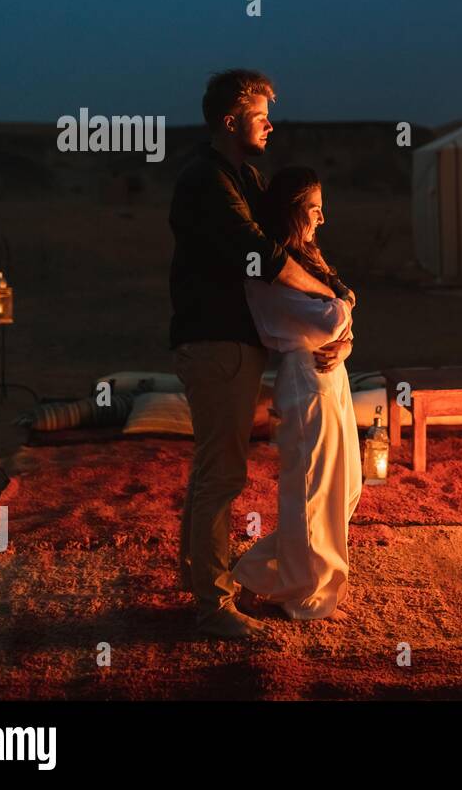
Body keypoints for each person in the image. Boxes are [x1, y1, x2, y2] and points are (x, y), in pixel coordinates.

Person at [169, 69, 348, 639]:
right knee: (221, 474)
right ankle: (213, 605)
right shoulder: (207, 180)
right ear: (229, 120)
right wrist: (334, 299)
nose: (270, 123)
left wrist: (336, 312)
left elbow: (285, 246)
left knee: (214, 472)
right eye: (259, 113)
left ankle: (199, 580)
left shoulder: (242, 175)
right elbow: (262, 254)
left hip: (234, 340)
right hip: (215, 339)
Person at [231, 167, 363, 619]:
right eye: (314, 209)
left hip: (332, 375)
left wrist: (342, 332)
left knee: (345, 489)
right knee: (312, 493)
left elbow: (335, 324)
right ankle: (306, 597)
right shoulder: (268, 272)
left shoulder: (307, 263)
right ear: (291, 212)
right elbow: (328, 320)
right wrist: (342, 305)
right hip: (304, 380)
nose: (322, 219)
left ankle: (253, 574)